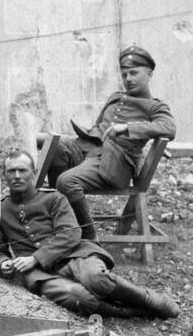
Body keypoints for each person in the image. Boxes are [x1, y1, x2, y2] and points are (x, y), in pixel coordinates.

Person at [0, 149, 179, 319]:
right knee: (77, 296)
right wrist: (3, 264)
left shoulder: (53, 198)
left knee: (96, 279)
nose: (17, 176)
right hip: (40, 275)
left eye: (23, 170)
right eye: (11, 171)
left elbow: (71, 234)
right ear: (4, 175)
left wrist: (36, 258)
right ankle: (131, 313)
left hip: (75, 256)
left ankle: (148, 299)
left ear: (34, 173)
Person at [43, 45, 175, 241]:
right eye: (124, 74)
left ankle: (88, 235)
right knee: (56, 147)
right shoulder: (115, 97)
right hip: (92, 152)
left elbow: (169, 127)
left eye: (134, 73)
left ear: (149, 73)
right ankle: (65, 222)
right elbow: (98, 126)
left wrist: (127, 127)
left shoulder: (155, 106)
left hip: (115, 163)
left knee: (66, 181)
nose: (128, 79)